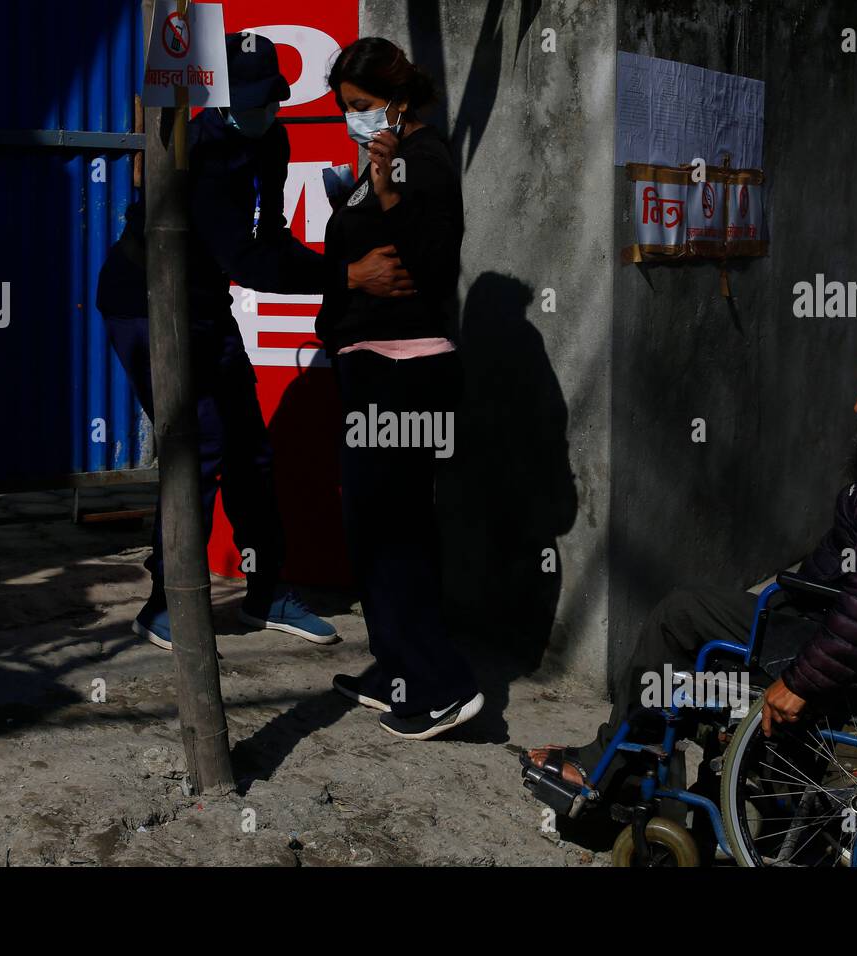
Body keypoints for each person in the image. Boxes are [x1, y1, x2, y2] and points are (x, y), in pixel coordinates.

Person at [526, 334, 857, 792]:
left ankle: (609, 768)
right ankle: (656, 758)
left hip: (835, 631)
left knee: (680, 614)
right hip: (829, 615)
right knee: (719, 614)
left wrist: (801, 680)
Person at [96, 33, 408, 651]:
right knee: (200, 443)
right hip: (146, 300)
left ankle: (268, 591)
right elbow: (248, 262)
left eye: (268, 100)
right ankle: (164, 600)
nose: (258, 111)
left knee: (249, 448)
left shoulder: (272, 137)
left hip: (205, 299)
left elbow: (272, 238)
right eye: (247, 101)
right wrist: (344, 277)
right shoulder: (201, 150)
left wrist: (330, 266)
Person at [318, 38, 483, 740]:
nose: (354, 120)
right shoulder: (383, 163)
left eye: (361, 106)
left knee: (394, 533)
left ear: (398, 98)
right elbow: (353, 266)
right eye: (346, 110)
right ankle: (396, 668)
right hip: (372, 362)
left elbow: (435, 260)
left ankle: (442, 683)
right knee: (375, 527)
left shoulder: (423, 159)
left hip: (402, 369)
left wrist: (387, 195)